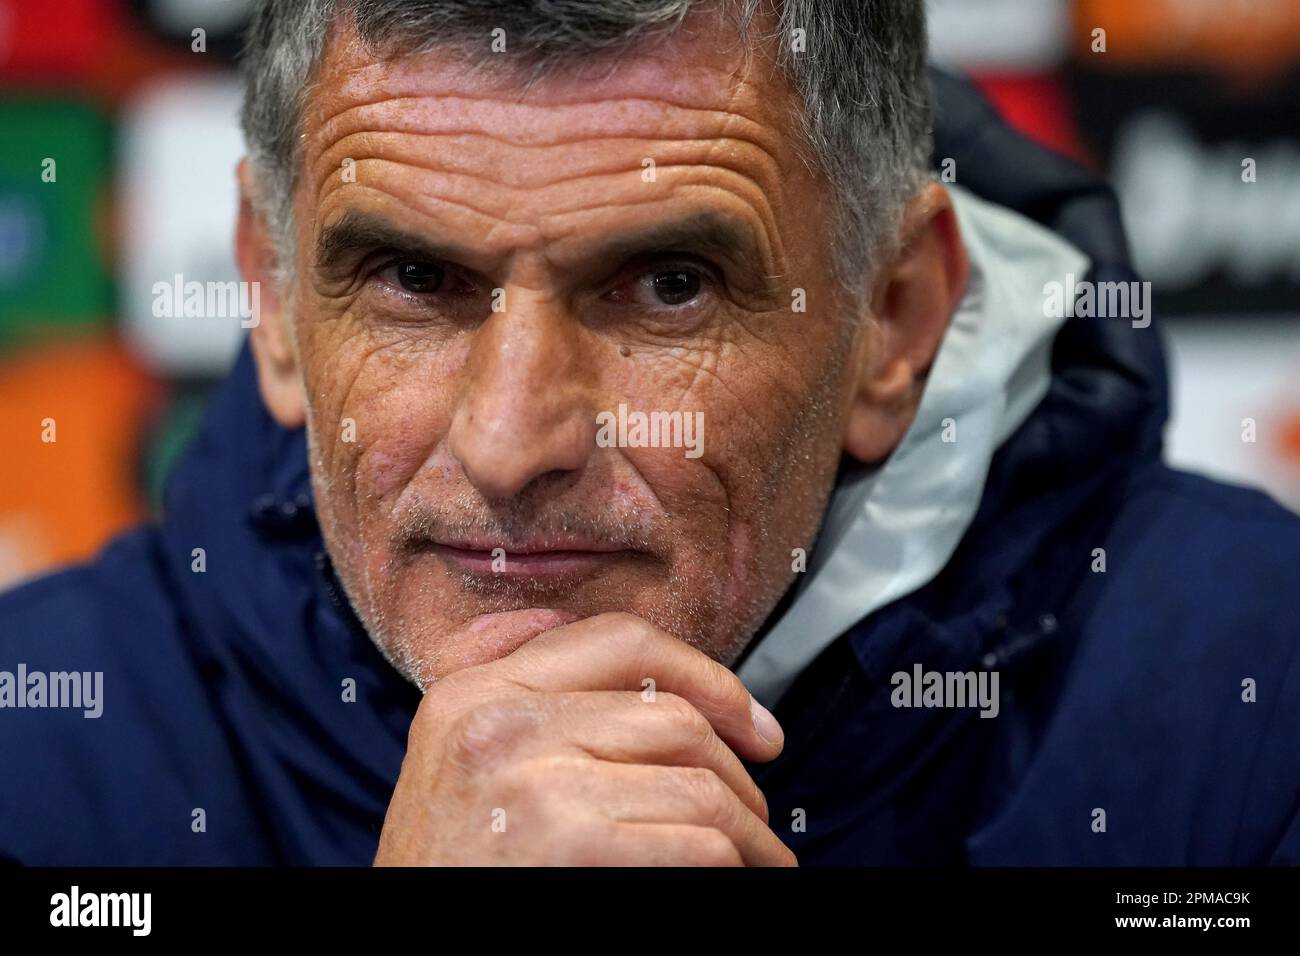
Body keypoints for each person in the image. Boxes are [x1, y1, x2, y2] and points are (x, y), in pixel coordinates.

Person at [2, 0, 1297, 866]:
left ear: (896, 318)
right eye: (413, 281)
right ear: (275, 300)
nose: (512, 445)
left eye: (667, 287)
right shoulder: (40, 759)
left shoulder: (1256, 713)